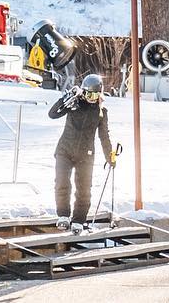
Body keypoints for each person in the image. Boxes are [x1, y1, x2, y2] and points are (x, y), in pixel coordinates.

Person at [48, 73, 115, 230]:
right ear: (83, 92)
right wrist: (65, 98)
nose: (91, 98)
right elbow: (52, 114)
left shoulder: (101, 112)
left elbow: (104, 136)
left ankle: (78, 220)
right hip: (65, 150)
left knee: (84, 189)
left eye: (95, 95)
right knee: (62, 183)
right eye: (89, 94)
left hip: (86, 154)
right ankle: (63, 215)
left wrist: (110, 156)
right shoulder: (74, 103)